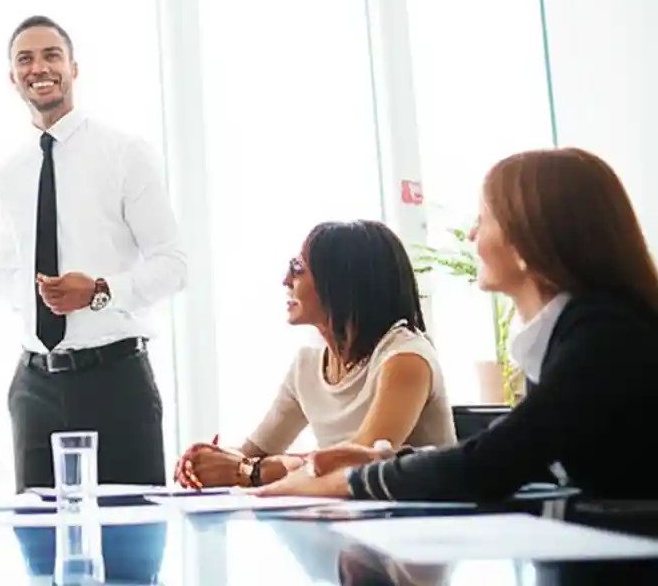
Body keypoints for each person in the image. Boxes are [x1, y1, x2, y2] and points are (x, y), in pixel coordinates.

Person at [255, 147, 658, 502]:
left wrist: (355, 480)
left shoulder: (603, 335)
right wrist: (388, 464)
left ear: (527, 242)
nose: (472, 234)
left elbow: (496, 462)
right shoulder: (568, 336)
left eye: (485, 219)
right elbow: (534, 460)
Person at [0, 15, 188, 490]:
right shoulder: (12, 173)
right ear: (13, 78)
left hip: (116, 380)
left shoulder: (124, 152)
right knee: (40, 550)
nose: (39, 68)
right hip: (35, 388)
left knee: (131, 544)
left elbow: (173, 265)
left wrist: (98, 291)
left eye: (52, 55)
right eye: (24, 59)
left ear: (74, 67)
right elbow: (14, 283)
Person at [173, 220, 456, 489]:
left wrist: (253, 471)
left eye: (297, 268)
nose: (285, 281)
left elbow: (358, 463)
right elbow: (250, 453)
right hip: (354, 520)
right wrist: (207, 462)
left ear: (342, 281)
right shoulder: (307, 366)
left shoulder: (406, 359)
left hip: (419, 526)